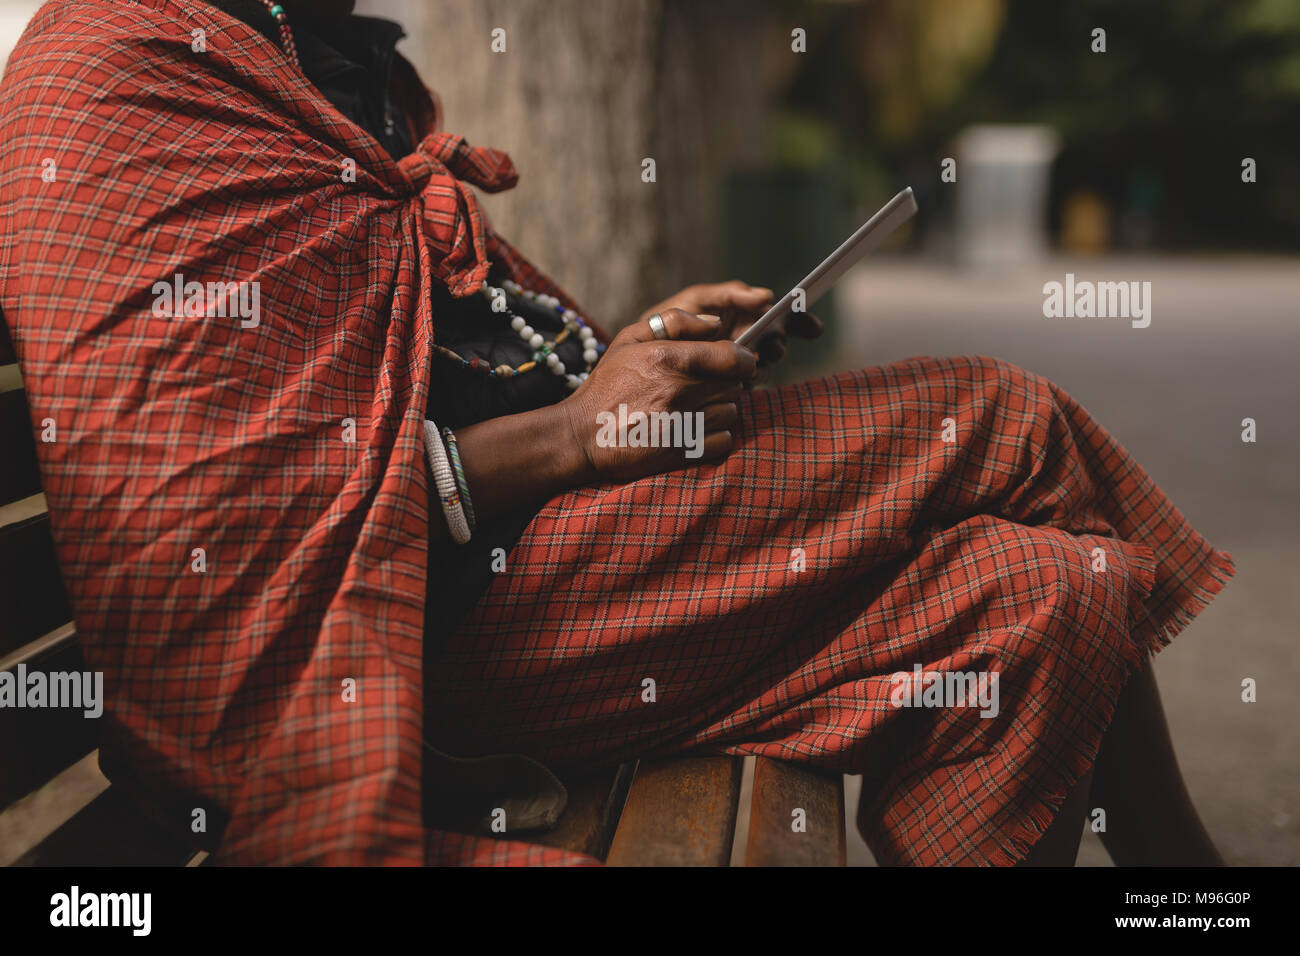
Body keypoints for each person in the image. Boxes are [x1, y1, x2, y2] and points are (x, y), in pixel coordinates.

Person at [0, 0, 1232, 866]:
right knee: (997, 417)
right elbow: (215, 529)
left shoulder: (310, 49)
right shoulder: (126, 75)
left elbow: (413, 366)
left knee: (1054, 594)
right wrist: (575, 438)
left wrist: (622, 362)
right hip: (391, 651)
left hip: (544, 571)